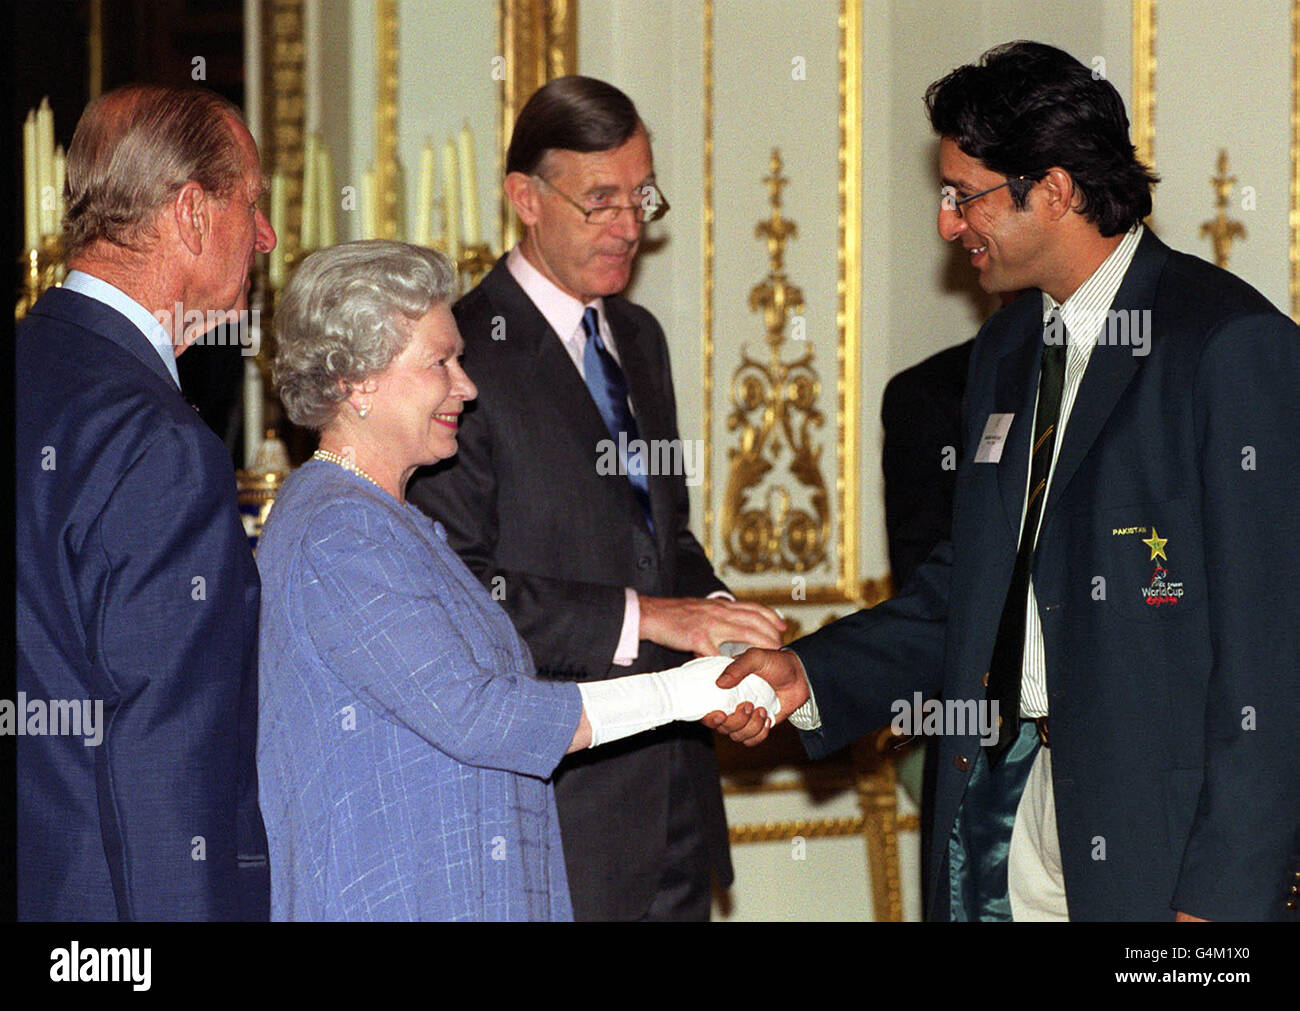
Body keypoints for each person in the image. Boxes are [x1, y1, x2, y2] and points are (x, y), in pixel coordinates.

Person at [710, 41, 1300, 921]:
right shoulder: (1008, 348)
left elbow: (1274, 662)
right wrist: (810, 671)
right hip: (1007, 814)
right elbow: (974, 588)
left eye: (965, 195)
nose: (950, 224)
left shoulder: (1227, 347)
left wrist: (1220, 901)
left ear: (1055, 189)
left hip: (1161, 848)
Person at [256, 239, 778, 921]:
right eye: (440, 362)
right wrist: (684, 690)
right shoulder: (339, 532)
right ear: (358, 381)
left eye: (461, 360)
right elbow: (483, 716)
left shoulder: (390, 519)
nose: (466, 386)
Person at [406, 76, 786, 921]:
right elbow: (461, 592)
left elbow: (663, 538)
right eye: (601, 200)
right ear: (524, 198)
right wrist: (649, 616)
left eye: (642, 195)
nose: (630, 225)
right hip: (557, 808)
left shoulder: (638, 337)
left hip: (677, 796)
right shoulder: (460, 353)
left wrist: (717, 616)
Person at [16, 84, 275, 920]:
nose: (266, 237)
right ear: (193, 213)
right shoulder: (159, 447)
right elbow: (167, 779)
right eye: (254, 204)